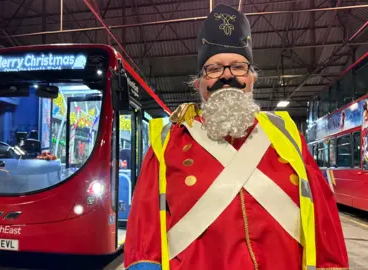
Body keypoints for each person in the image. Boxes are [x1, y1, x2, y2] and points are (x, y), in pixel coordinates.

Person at [124, 4, 348, 270]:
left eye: (238, 67)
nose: (227, 76)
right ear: (198, 84)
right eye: (214, 69)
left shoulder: (286, 134)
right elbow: (144, 232)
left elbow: (323, 218)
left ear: (252, 79)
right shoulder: (168, 142)